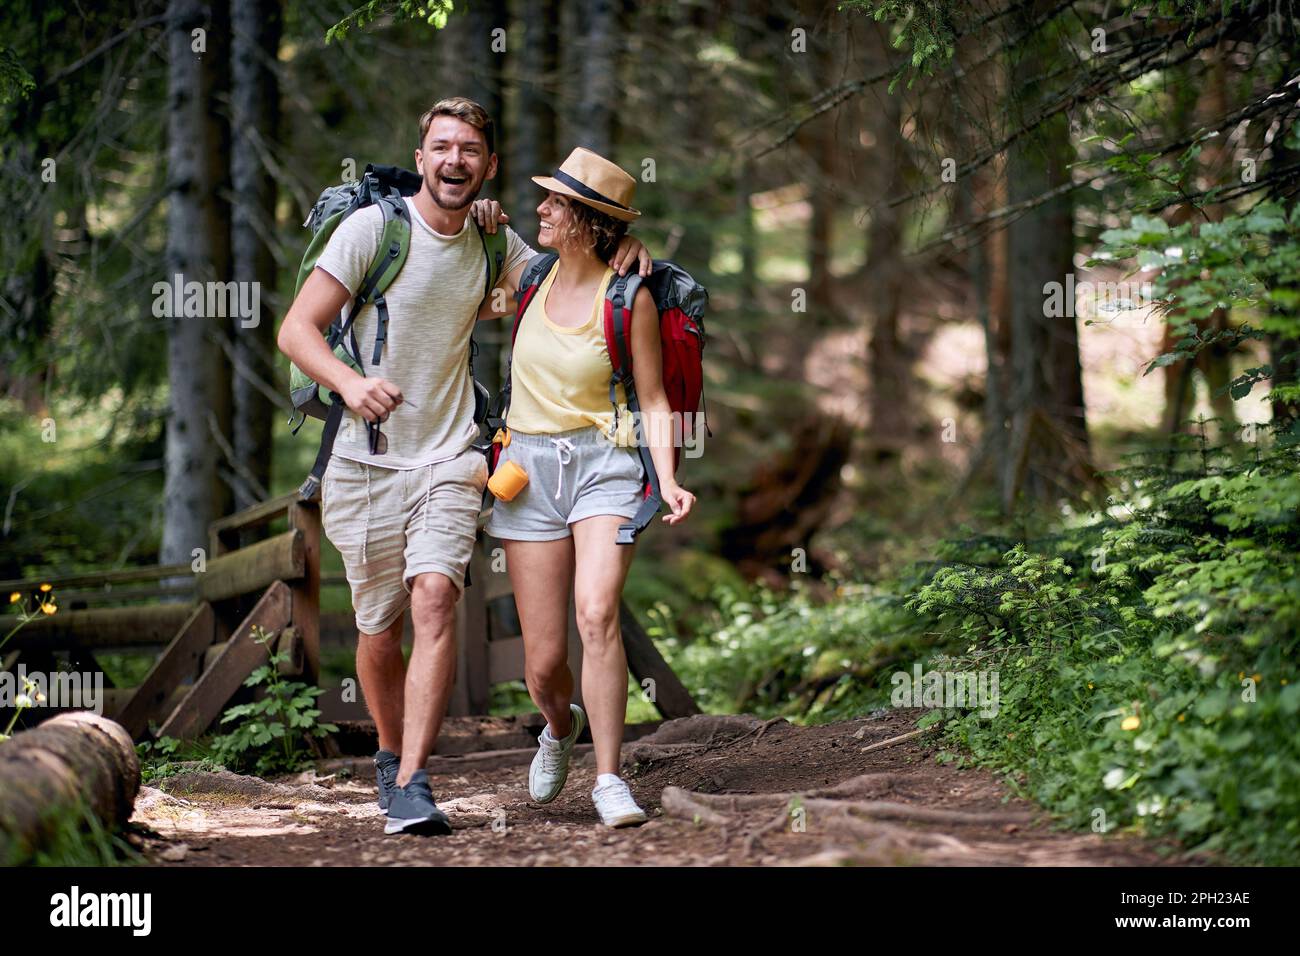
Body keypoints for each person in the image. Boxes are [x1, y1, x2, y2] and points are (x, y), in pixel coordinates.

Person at [277, 99, 650, 836]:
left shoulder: (493, 242)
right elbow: (297, 327)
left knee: (436, 599)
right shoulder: (371, 232)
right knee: (376, 630)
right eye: (441, 147)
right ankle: (390, 755)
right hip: (364, 459)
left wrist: (631, 259)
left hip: (452, 454)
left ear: (488, 165)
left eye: (470, 150)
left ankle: (414, 780)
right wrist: (351, 385)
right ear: (421, 159)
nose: (455, 160)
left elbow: (569, 277)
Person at [476, 147, 695, 827]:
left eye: (557, 204)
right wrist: (479, 223)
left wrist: (671, 477)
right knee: (543, 665)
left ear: (590, 223)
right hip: (527, 470)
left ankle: (608, 779)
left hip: (608, 464)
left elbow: (654, 400)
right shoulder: (529, 279)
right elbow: (456, 297)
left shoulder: (631, 297)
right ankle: (556, 726)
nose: (541, 209)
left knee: (597, 615)